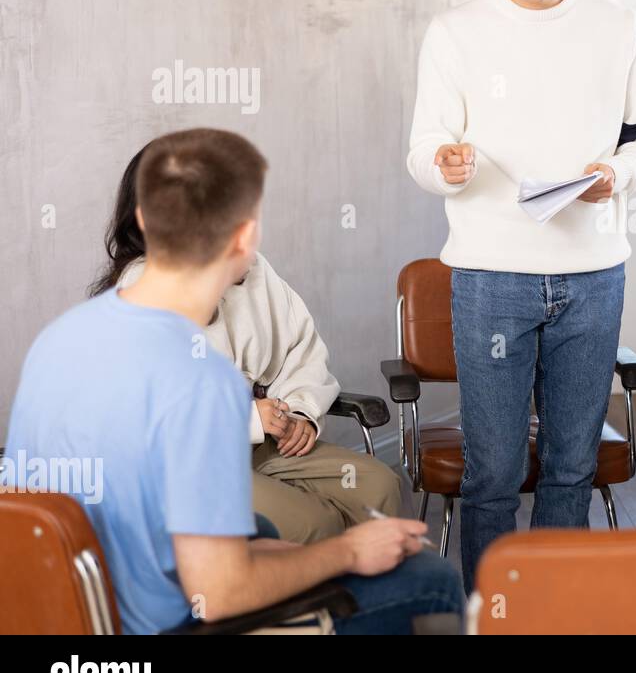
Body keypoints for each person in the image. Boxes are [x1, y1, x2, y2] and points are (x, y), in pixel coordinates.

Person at [5, 129, 461, 633]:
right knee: (430, 578)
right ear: (244, 238)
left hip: (70, 609)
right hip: (165, 622)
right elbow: (217, 593)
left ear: (144, 220)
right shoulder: (197, 378)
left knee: (278, 530)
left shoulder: (59, 338)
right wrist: (349, 551)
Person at [406, 0, 636, 592]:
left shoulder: (616, 28)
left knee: (571, 463)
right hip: (491, 278)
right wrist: (445, 164)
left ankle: (550, 609)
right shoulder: (454, 33)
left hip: (592, 276)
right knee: (491, 468)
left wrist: (617, 174)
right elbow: (422, 150)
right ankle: (494, 610)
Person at [91, 144, 403, 544]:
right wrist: (250, 419)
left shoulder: (249, 265)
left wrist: (302, 413)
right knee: (313, 524)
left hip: (263, 445)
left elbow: (300, 348)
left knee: (379, 486)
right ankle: (317, 603)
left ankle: (384, 601)